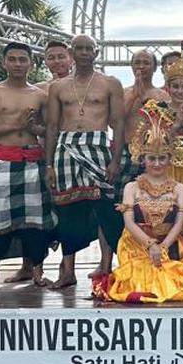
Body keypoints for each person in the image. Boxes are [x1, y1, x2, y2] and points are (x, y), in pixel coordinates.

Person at [44, 34, 126, 289]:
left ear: (96, 53)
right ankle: (68, 271)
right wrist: (48, 165)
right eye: (78, 48)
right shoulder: (58, 87)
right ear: (71, 53)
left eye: (88, 48)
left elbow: (119, 123)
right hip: (66, 146)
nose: (83, 53)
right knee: (67, 209)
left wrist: (115, 160)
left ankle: (106, 267)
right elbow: (52, 126)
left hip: (98, 145)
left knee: (105, 209)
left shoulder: (110, 83)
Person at [101, 112, 183, 303]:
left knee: (174, 285)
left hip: (169, 246)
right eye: (152, 158)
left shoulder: (179, 188)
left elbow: (179, 223)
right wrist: (151, 245)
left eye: (162, 158)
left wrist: (163, 247)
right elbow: (129, 223)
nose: (157, 164)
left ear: (170, 158)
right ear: (143, 159)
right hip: (136, 247)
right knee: (143, 284)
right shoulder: (131, 187)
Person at [0, 41, 56, 292]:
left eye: (23, 59)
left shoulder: (40, 95)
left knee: (35, 219)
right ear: (4, 62)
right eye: (12, 59)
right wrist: (17, 125)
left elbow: (49, 131)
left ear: (31, 63)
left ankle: (37, 272)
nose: (18, 64)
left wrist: (33, 129)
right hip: (2, 160)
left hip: (32, 160)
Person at [133, 58, 183, 267]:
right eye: (175, 86)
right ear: (168, 86)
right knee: (162, 212)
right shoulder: (156, 109)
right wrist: (174, 127)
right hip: (162, 166)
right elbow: (150, 141)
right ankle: (161, 260)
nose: (180, 91)